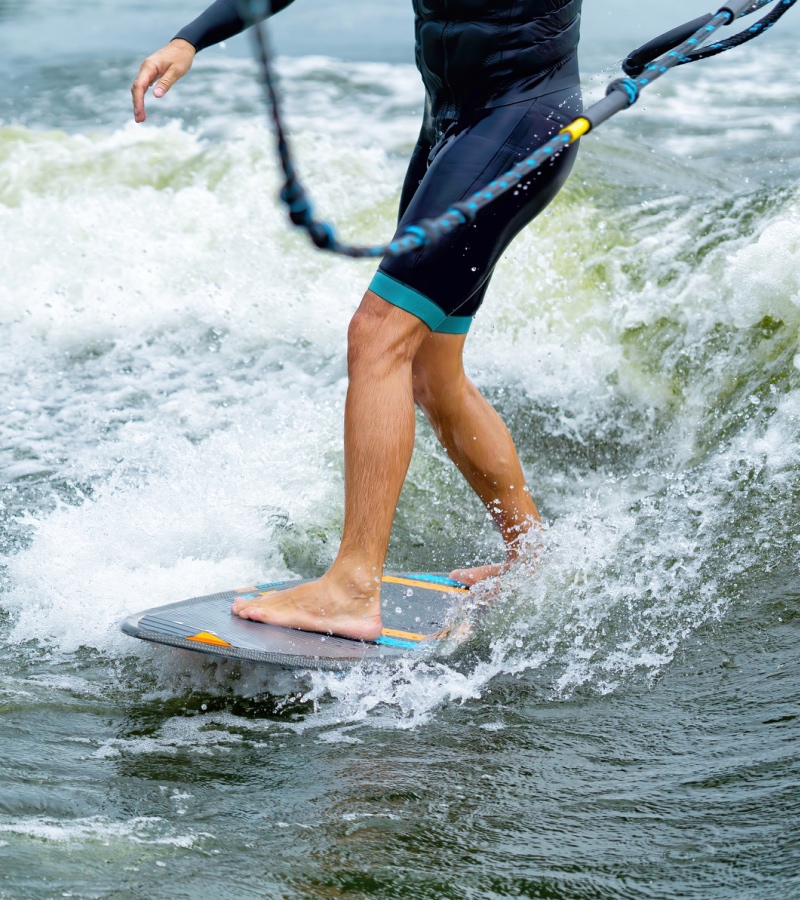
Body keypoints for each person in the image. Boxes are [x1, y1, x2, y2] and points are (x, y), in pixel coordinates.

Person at [131, 0, 583, 641]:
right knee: (430, 367)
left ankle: (352, 586)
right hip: (455, 129)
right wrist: (192, 39)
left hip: (517, 124)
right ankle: (532, 556)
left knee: (377, 336)